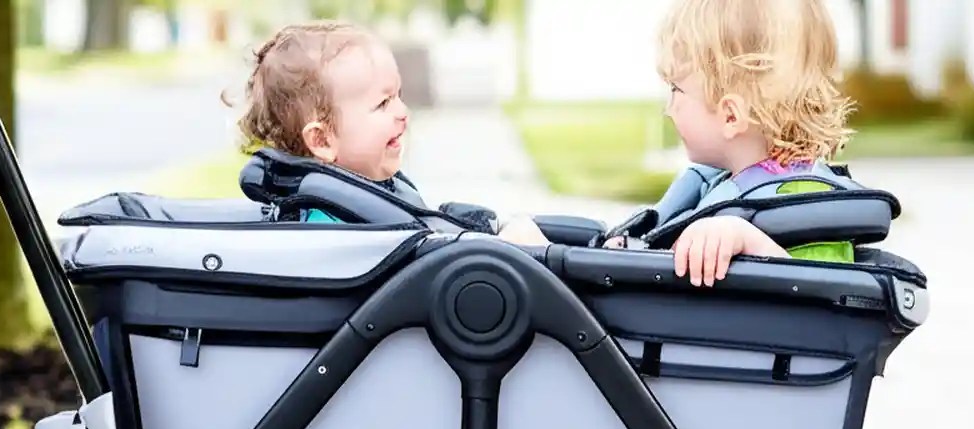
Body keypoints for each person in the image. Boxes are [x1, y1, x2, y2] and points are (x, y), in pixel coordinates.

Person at [606, 0, 862, 286]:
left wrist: (746, 239)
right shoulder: (714, 184)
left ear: (730, 115)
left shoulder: (804, 199)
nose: (668, 109)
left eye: (676, 90)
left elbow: (831, 304)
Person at [227, 21, 549, 245]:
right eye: (383, 103)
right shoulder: (332, 234)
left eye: (398, 96)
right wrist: (510, 250)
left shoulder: (370, 198)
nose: (403, 112)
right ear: (323, 140)